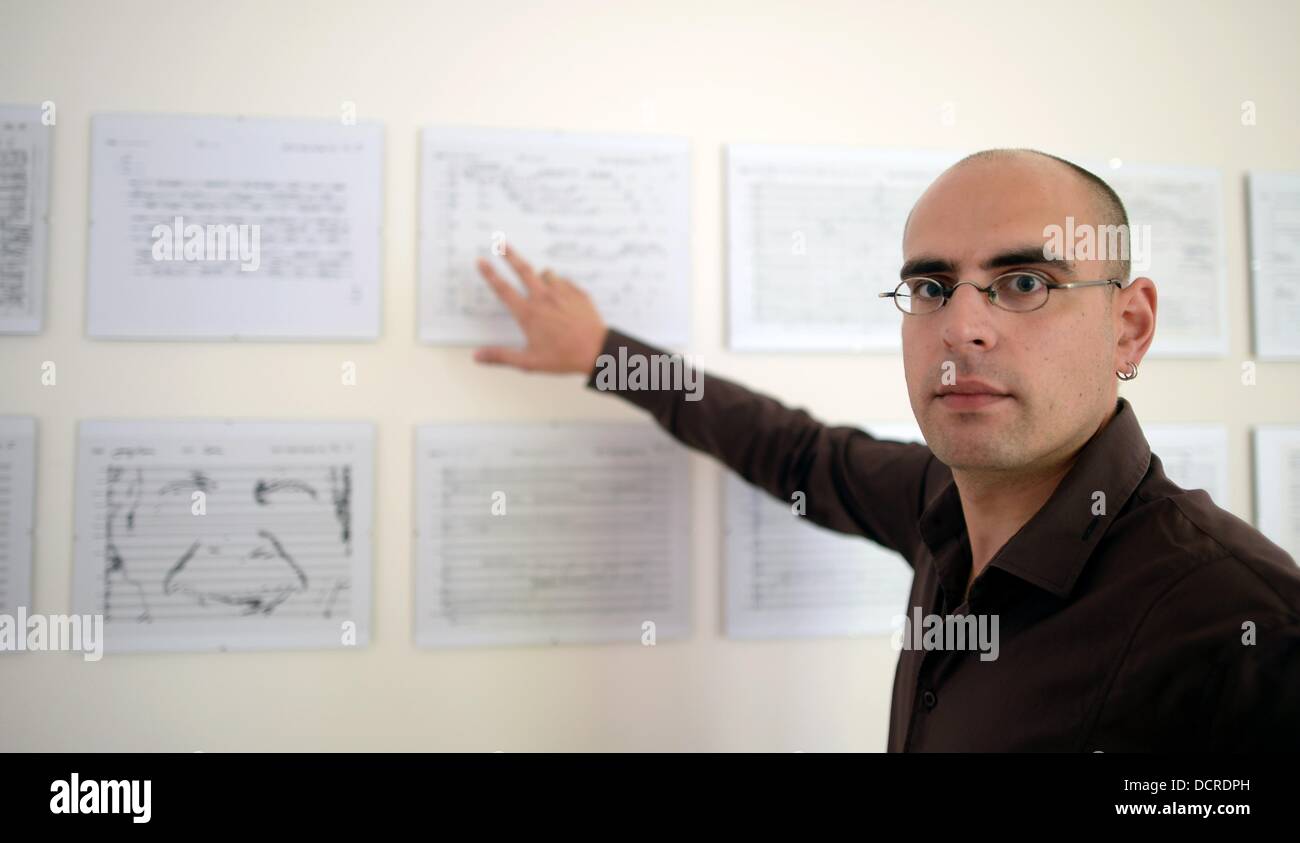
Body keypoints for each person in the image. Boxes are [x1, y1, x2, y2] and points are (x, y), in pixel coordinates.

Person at [472, 148, 1300, 751]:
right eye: (932, 287)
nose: (962, 326)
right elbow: (792, 450)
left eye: (1025, 283)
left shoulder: (1242, 626)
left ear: (1130, 325)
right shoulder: (938, 501)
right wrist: (604, 352)